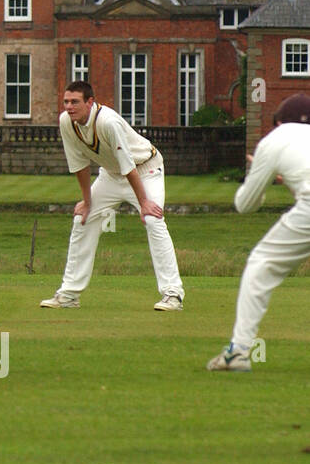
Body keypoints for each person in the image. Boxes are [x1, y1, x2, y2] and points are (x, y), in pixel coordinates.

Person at [42, 81, 186, 311]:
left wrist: (144, 203)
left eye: (75, 102)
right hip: (111, 175)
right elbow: (79, 164)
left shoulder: (108, 121)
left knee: (153, 220)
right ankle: (69, 295)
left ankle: (173, 295)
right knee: (82, 219)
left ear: (90, 102)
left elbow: (128, 166)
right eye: (66, 102)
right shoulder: (65, 122)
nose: (69, 107)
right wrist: (87, 202)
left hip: (145, 170)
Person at [207, 94, 310, 371]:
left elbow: (245, 205)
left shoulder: (273, 140)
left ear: (278, 122)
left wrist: (259, 177)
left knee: (260, 264)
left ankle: (238, 351)